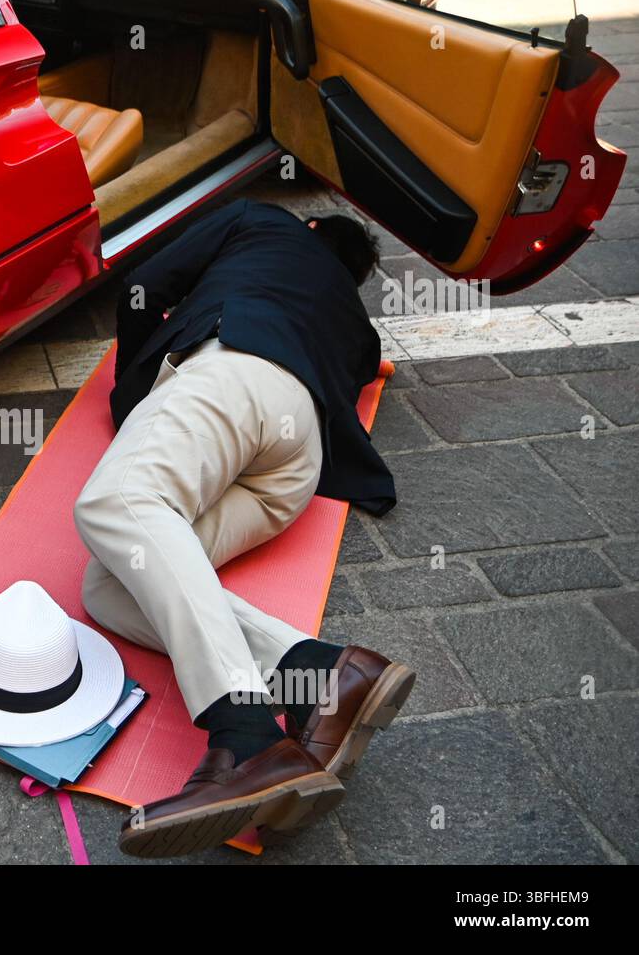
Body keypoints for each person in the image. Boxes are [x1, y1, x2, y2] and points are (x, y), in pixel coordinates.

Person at [73, 198, 416, 858]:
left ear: (312, 227)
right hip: (294, 467)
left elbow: (145, 285)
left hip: (236, 375)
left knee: (114, 501)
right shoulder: (359, 329)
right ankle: (317, 672)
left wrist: (132, 396)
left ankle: (245, 733)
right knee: (109, 586)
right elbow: (362, 373)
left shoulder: (263, 221)